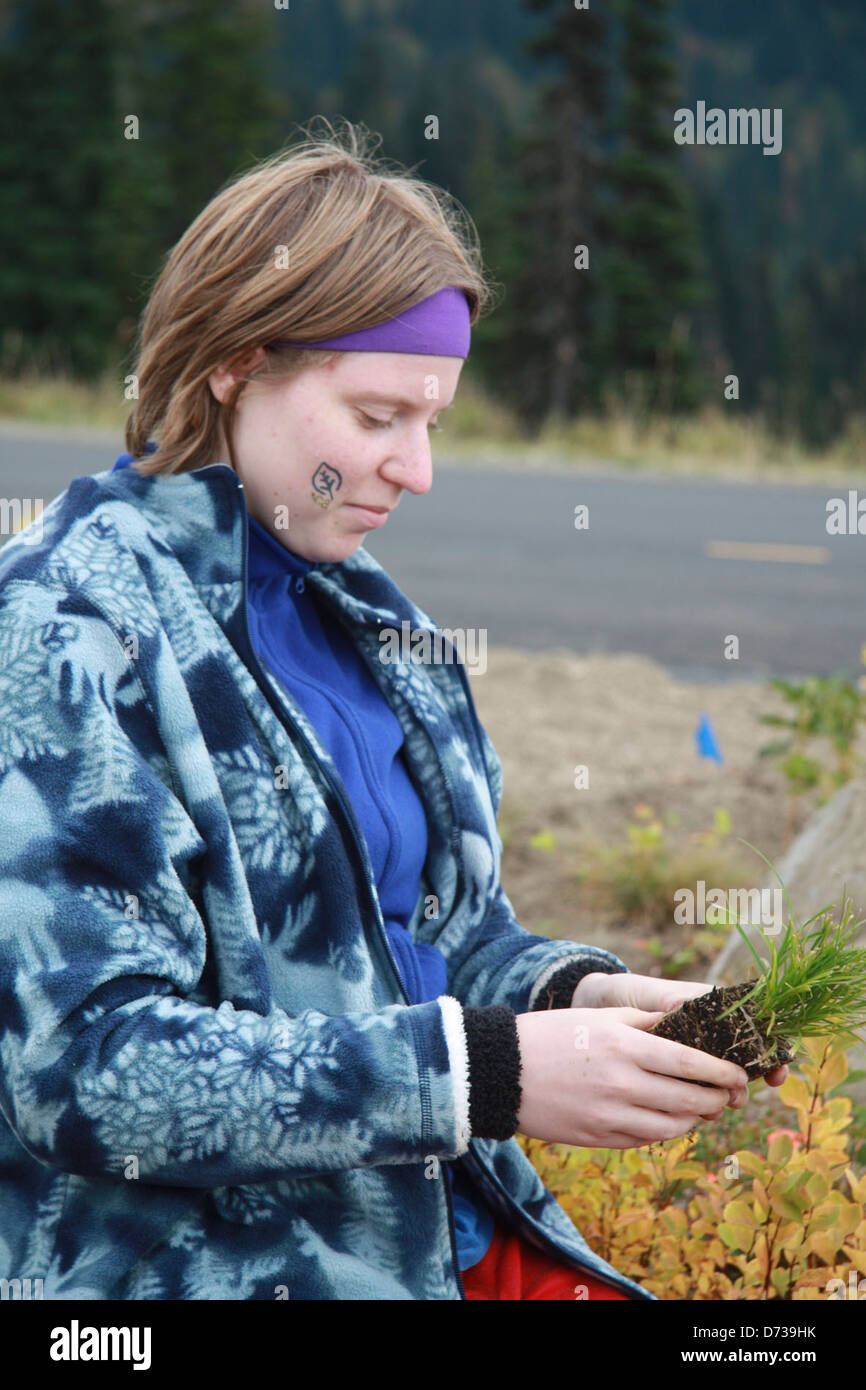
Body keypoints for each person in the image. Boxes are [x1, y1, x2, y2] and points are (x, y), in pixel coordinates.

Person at [0, 118, 787, 1302]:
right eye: (376, 418)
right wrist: (487, 1078)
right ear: (234, 364)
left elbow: (438, 937)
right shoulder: (64, 627)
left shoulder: (376, 620)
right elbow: (87, 1073)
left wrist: (574, 998)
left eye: (433, 422)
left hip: (450, 1237)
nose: (415, 470)